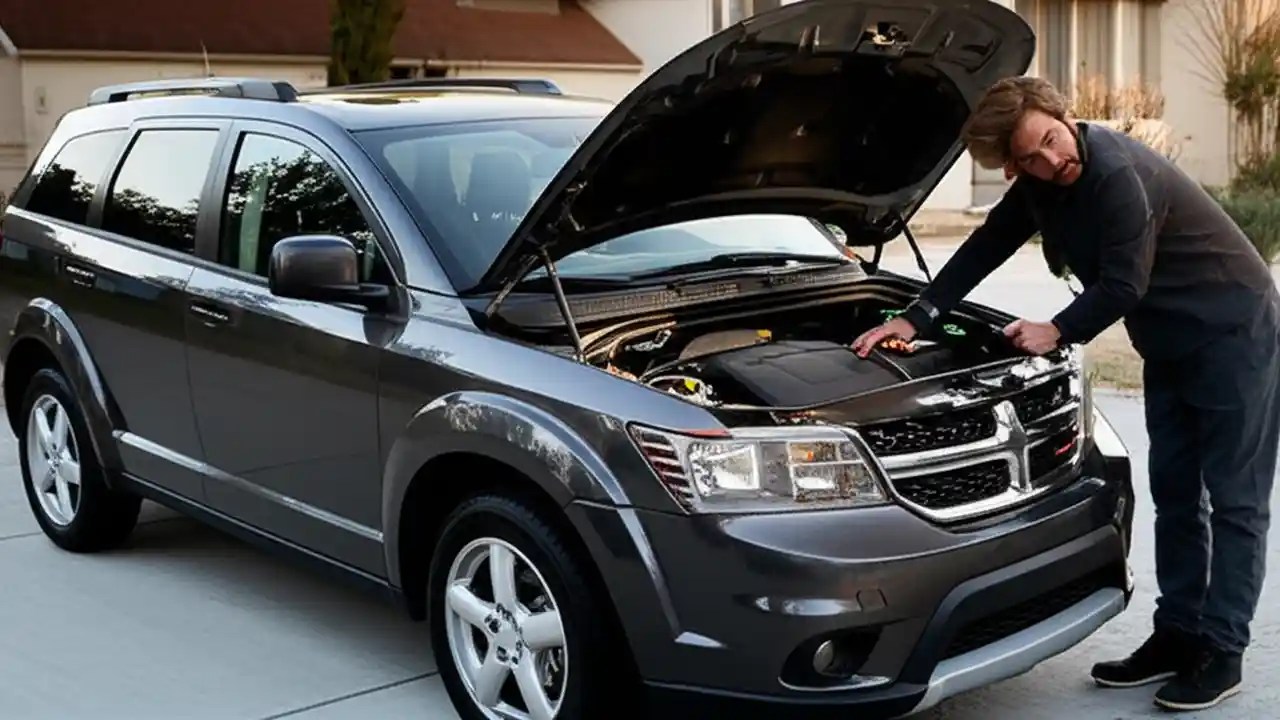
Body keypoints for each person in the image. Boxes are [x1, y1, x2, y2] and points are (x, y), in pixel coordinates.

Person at [852, 76, 1280, 712]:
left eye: (1051, 141)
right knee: (1177, 495)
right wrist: (917, 318)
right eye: (1029, 158)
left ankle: (1223, 651)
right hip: (1169, 346)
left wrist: (1056, 329)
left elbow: (1124, 285)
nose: (1051, 162)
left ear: (1064, 115)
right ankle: (1177, 635)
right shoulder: (1040, 187)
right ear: (1011, 165)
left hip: (1234, 336)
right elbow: (986, 245)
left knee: (1236, 504)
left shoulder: (1115, 174)